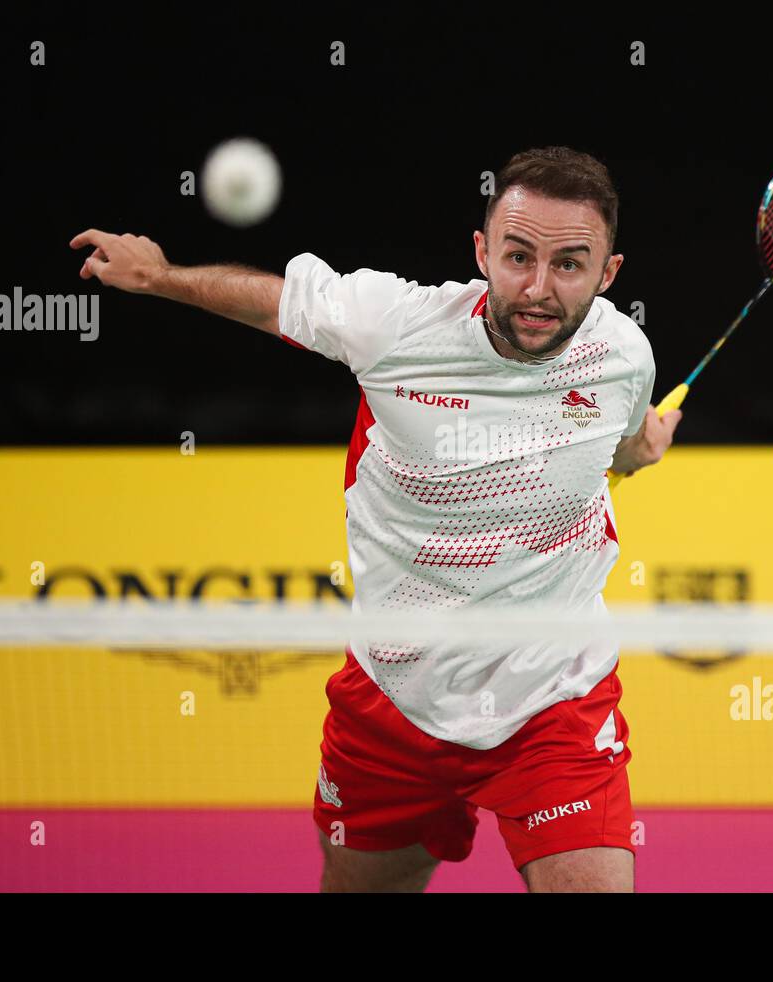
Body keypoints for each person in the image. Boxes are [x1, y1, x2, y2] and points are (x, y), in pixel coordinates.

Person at [70, 146, 681, 892]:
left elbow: (615, 447)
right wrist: (161, 278)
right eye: (518, 256)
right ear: (483, 252)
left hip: (552, 704)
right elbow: (273, 302)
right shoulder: (397, 327)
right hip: (394, 705)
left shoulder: (624, 355)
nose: (537, 289)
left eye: (569, 265)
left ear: (608, 274)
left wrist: (638, 451)